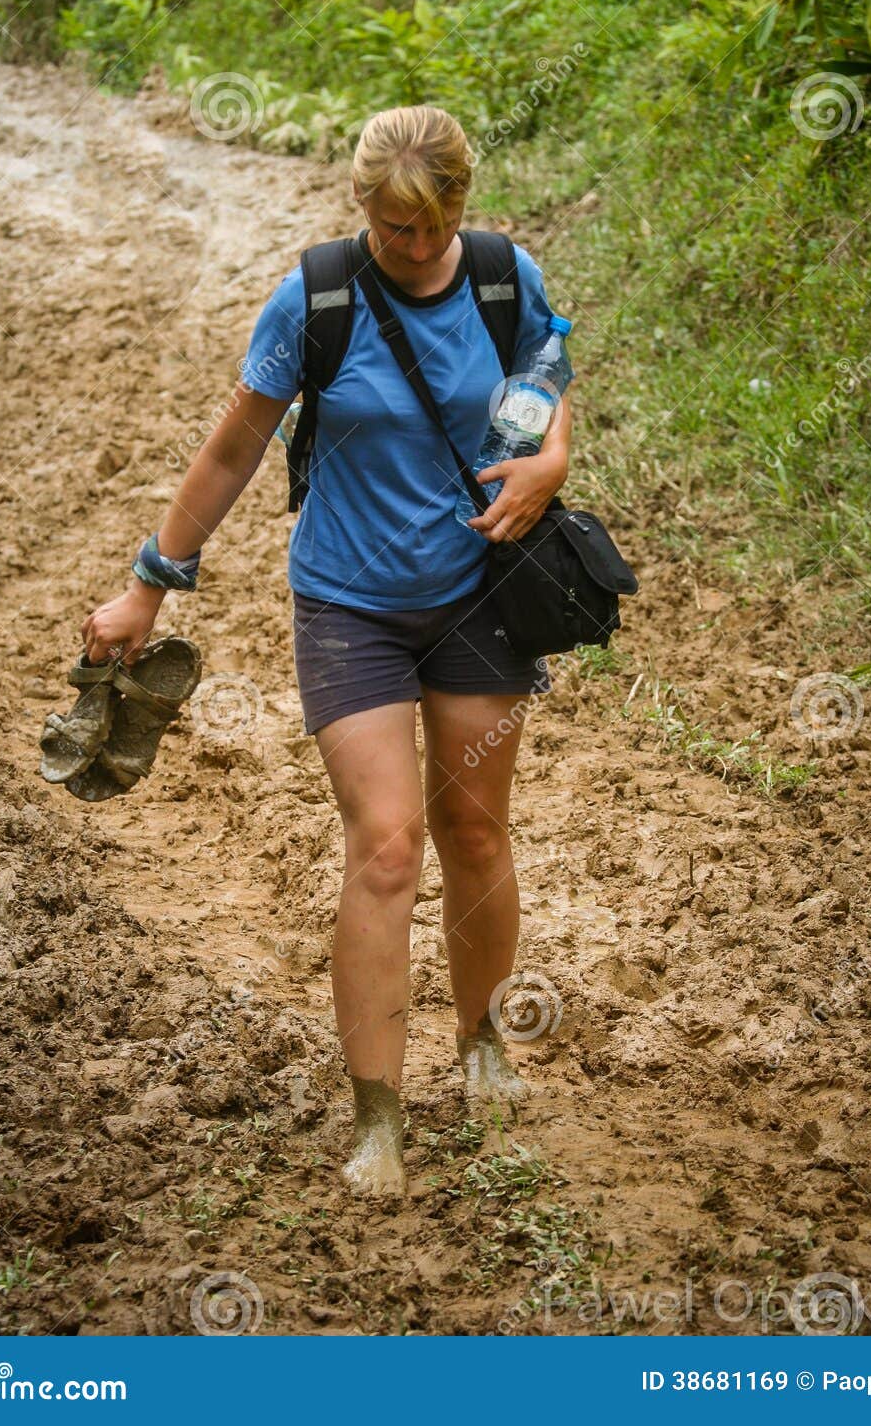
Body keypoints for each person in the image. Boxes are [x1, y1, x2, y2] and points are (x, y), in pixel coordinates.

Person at [81, 105, 572, 1197]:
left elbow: (544, 378)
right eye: (394, 228)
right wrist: (145, 586)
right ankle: (377, 1116)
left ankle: (483, 1043)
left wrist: (549, 465)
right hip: (346, 601)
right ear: (361, 207)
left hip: (476, 595)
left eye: (433, 225)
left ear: (461, 204)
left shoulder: (499, 277)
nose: (413, 247)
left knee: (477, 830)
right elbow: (233, 446)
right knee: (389, 844)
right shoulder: (315, 297)